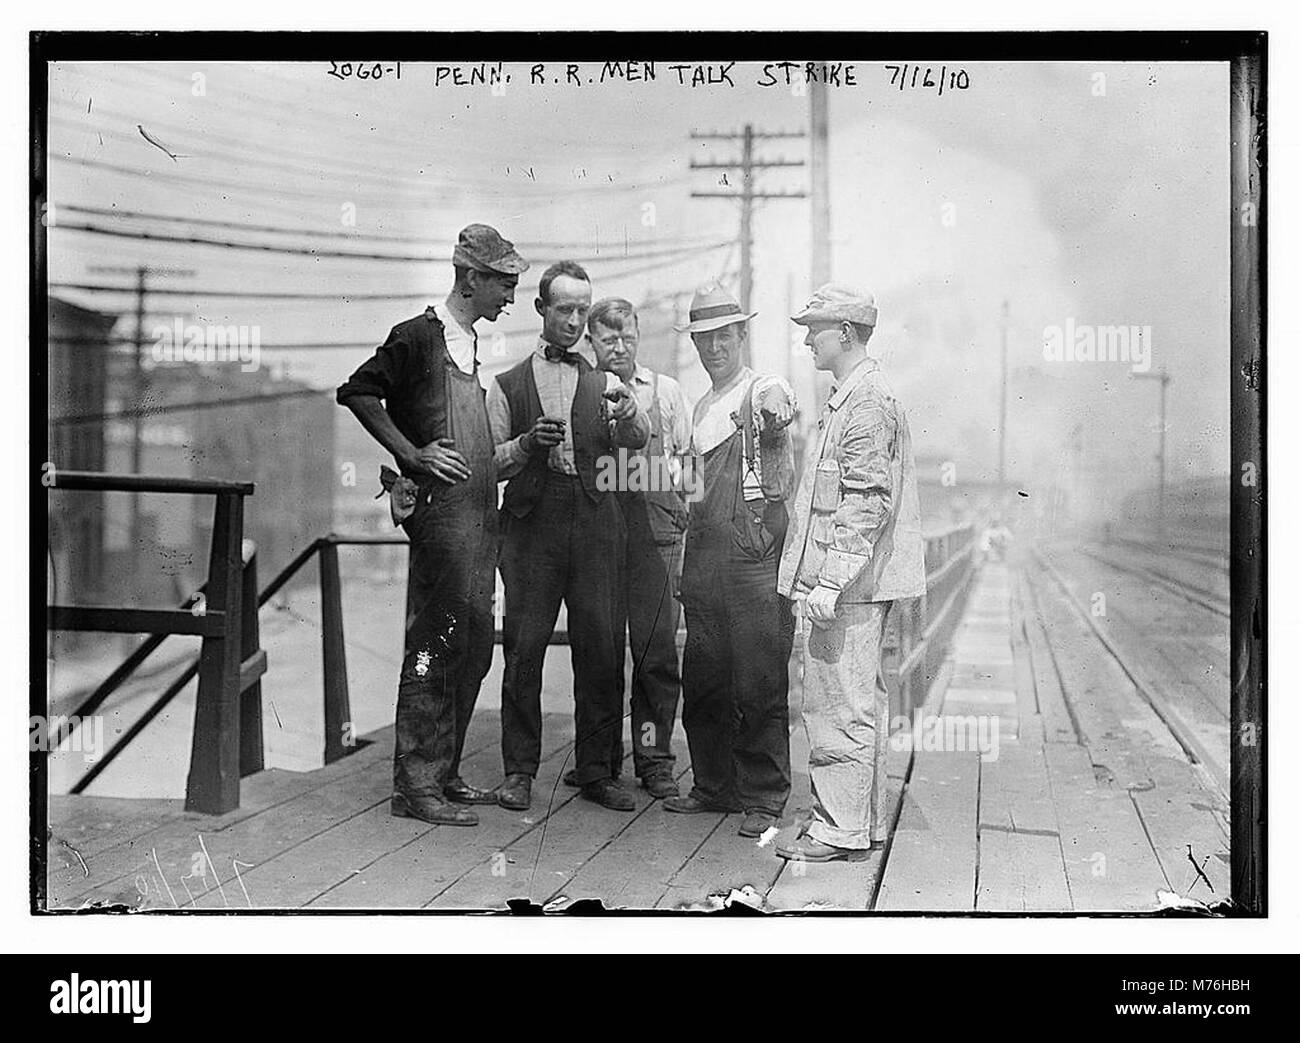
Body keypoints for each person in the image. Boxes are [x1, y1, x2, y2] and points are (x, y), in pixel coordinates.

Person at [336, 223, 526, 826]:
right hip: (444, 524)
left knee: (472, 652)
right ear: (471, 278)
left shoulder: (470, 345)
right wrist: (412, 457)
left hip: (480, 523)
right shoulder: (419, 337)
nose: (512, 298)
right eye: (504, 283)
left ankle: (442, 773)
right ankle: (414, 787)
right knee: (433, 648)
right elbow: (359, 392)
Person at [487, 262, 650, 812]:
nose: (576, 320)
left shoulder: (606, 381)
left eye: (583, 310)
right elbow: (489, 464)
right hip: (533, 526)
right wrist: (526, 445)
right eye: (565, 309)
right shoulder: (506, 385)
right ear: (541, 310)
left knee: (601, 649)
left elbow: (636, 443)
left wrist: (630, 413)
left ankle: (598, 770)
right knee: (523, 650)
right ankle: (518, 772)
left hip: (597, 522)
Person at [774, 284, 925, 862]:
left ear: (845, 333)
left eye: (816, 328)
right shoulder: (856, 395)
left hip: (849, 588)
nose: (807, 338)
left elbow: (866, 501)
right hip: (855, 584)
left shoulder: (863, 403)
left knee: (837, 704)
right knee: (857, 700)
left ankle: (837, 831)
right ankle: (861, 826)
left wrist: (831, 581)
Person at [664, 284, 798, 838]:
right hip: (704, 555)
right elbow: (690, 490)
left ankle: (764, 799)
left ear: (742, 335)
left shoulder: (760, 388)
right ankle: (714, 785)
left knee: (760, 680)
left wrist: (771, 411)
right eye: (704, 339)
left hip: (752, 554)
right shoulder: (698, 408)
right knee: (705, 678)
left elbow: (782, 403)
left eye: (724, 336)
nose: (714, 347)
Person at [581, 297, 692, 799]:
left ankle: (653, 760)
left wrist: (679, 509)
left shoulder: (664, 391)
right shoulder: (583, 392)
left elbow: (689, 465)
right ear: (592, 342)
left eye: (627, 336)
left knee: (654, 655)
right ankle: (599, 764)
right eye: (608, 338)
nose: (620, 347)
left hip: (656, 533)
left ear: (638, 337)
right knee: (600, 654)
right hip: (600, 537)